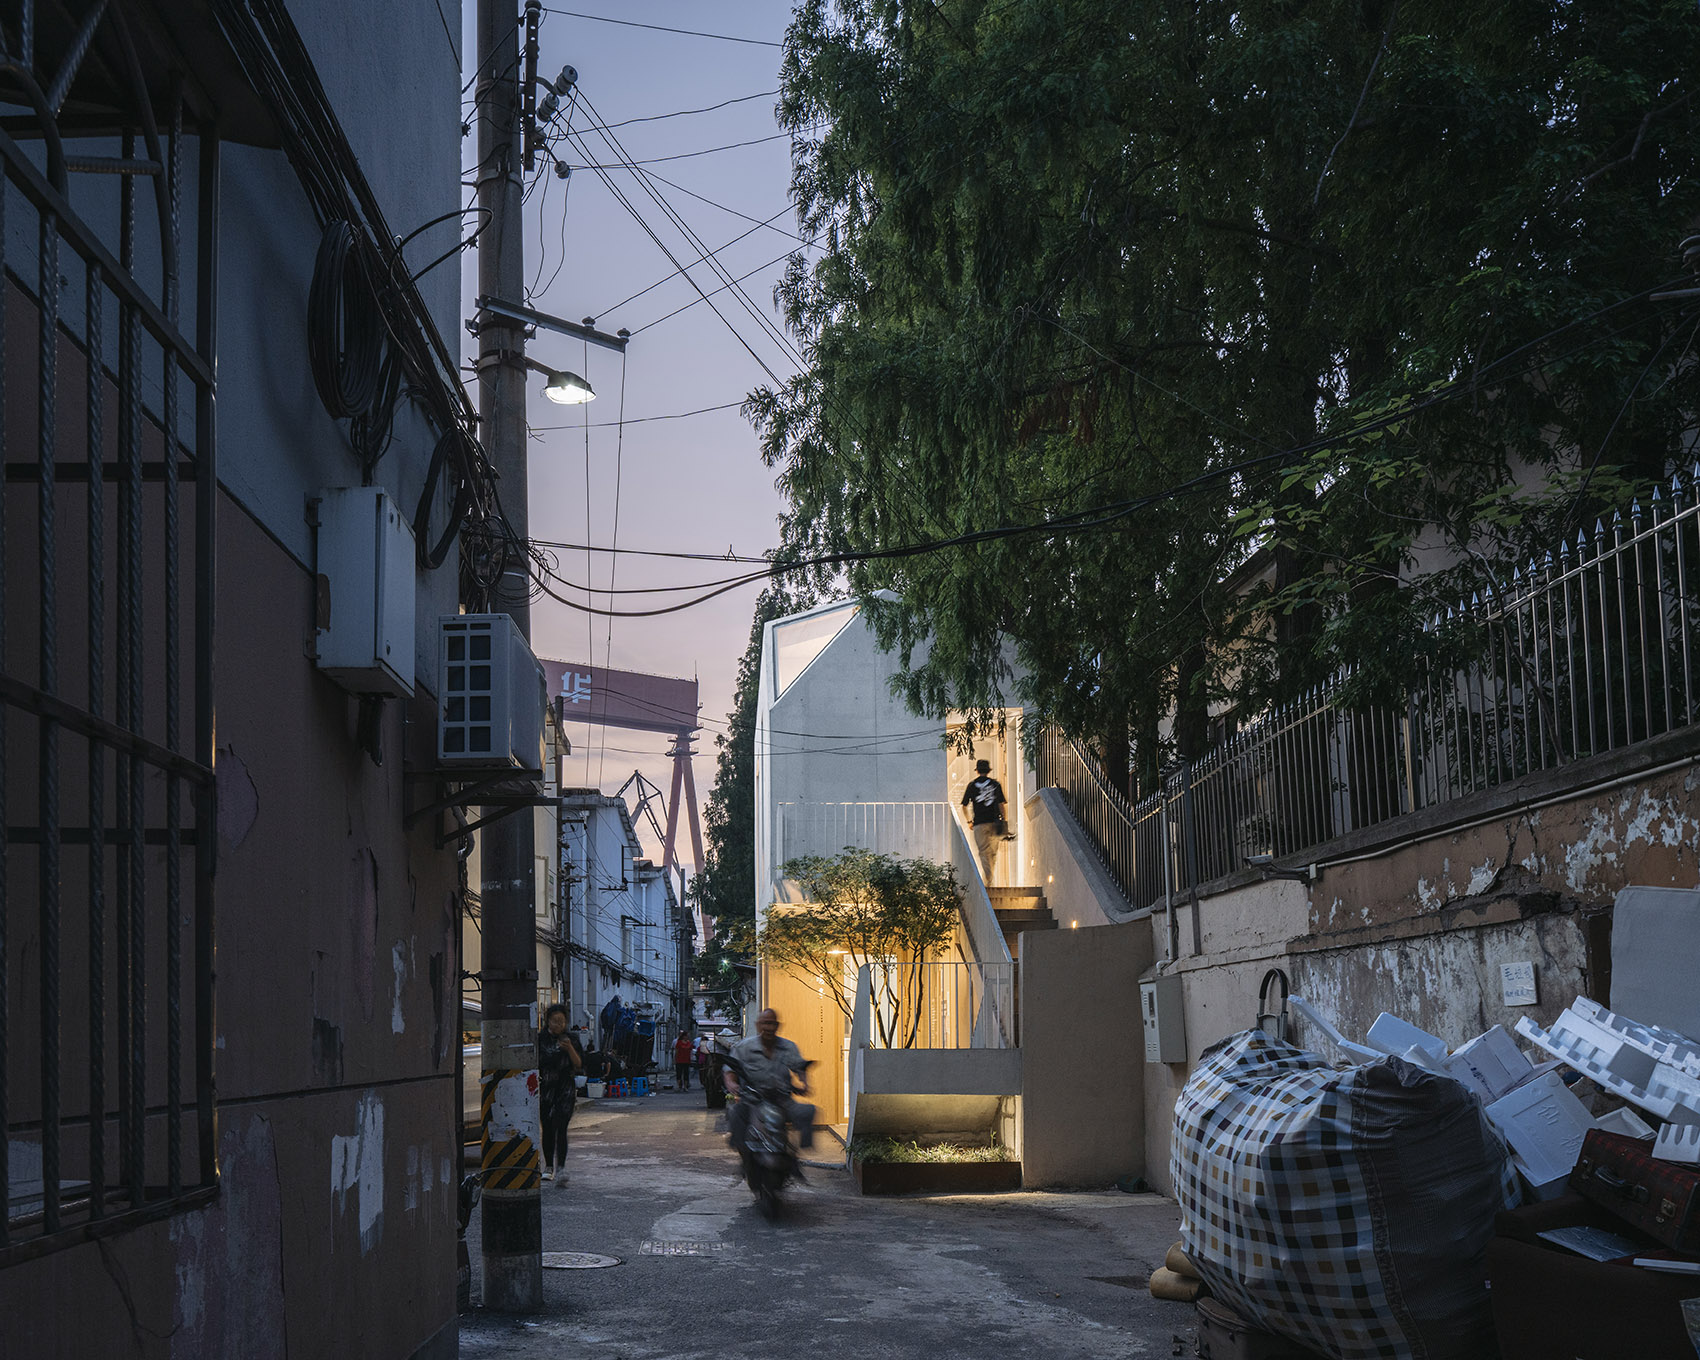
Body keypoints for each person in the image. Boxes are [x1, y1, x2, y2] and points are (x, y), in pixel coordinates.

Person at [724, 1008, 815, 1152]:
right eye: (765, 1023)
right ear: (758, 1025)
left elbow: (799, 1067)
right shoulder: (744, 1047)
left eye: (772, 1024)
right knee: (736, 1113)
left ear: (777, 1026)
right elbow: (730, 1069)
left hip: (782, 1099)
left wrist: (804, 1083)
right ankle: (742, 1153)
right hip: (753, 1100)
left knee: (808, 1111)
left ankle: (798, 1154)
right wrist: (731, 1083)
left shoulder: (788, 1047)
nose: (768, 1028)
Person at [536, 1004, 582, 1185]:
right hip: (546, 1088)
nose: (558, 1025)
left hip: (565, 1090)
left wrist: (570, 1048)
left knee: (561, 1127)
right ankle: (548, 1167)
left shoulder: (572, 1039)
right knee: (547, 1128)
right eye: (555, 1021)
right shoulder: (540, 1039)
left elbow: (579, 1064)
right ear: (548, 1021)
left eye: (562, 1022)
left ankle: (561, 1167)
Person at [961, 758, 1010, 885]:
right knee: (993, 853)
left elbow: (964, 806)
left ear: (977, 771)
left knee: (983, 852)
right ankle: (989, 879)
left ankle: (988, 880)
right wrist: (1004, 820)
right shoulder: (995, 784)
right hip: (994, 823)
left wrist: (969, 821)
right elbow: (1001, 805)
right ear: (988, 771)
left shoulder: (972, 785)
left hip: (979, 824)